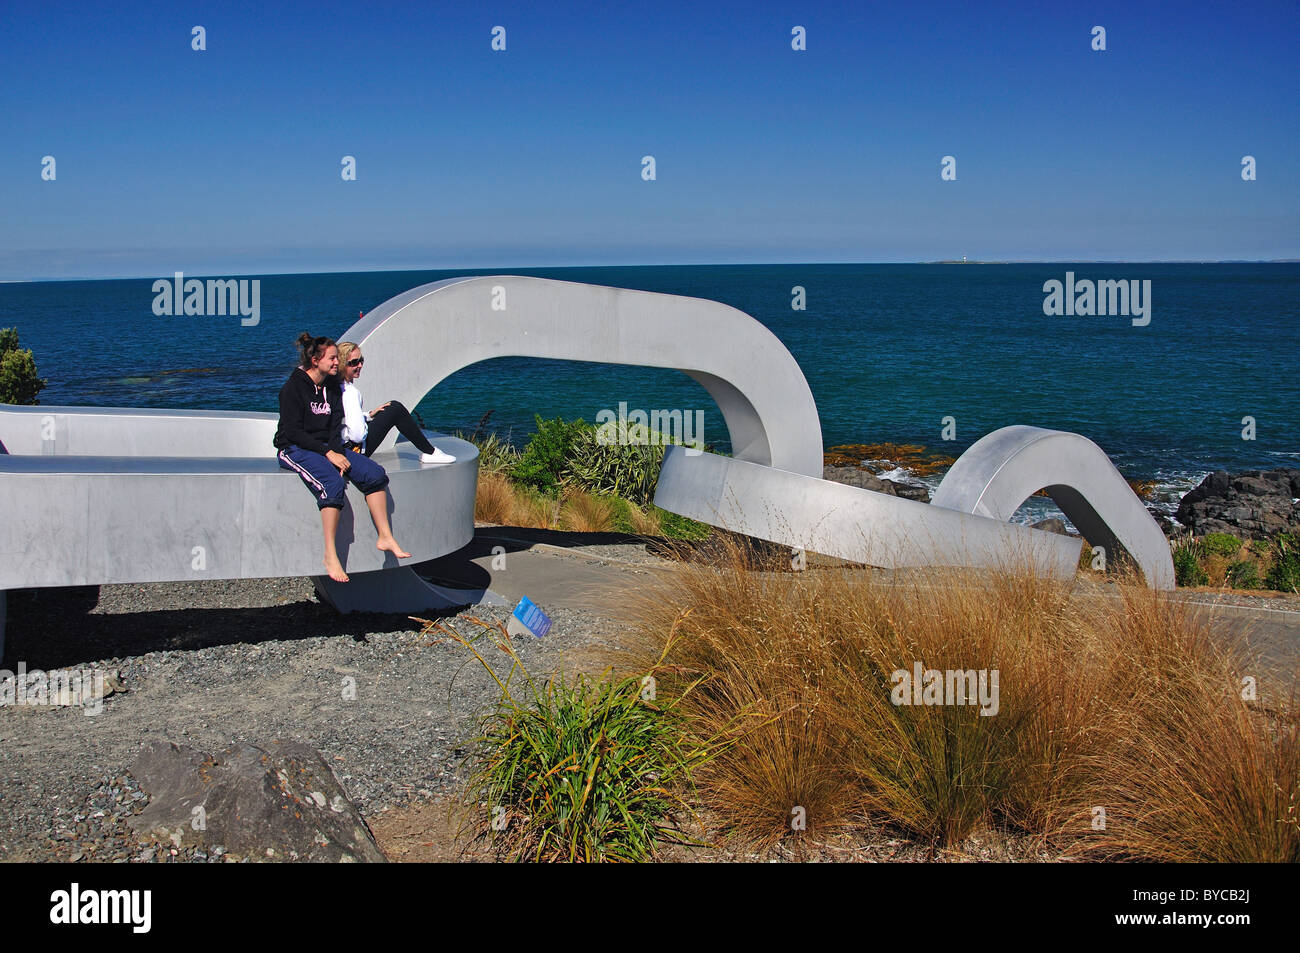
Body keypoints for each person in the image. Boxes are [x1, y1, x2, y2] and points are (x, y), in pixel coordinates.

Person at [273, 332, 411, 583]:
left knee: (374, 473)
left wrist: (335, 451)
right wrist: (328, 454)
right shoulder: (293, 388)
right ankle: (330, 555)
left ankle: (385, 535)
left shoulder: (331, 387)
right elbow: (292, 432)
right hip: (294, 448)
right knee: (332, 484)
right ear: (315, 360)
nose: (338, 363)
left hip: (326, 447)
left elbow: (335, 426)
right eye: (333, 358)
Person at [335, 341, 455, 464]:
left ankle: (431, 452)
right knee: (395, 409)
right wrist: (365, 425)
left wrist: (368, 415)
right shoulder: (350, 392)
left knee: (389, 409)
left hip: (339, 450)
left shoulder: (333, 386)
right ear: (343, 365)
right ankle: (431, 452)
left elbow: (343, 417)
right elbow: (357, 436)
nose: (360, 365)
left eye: (361, 360)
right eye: (354, 362)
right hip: (354, 453)